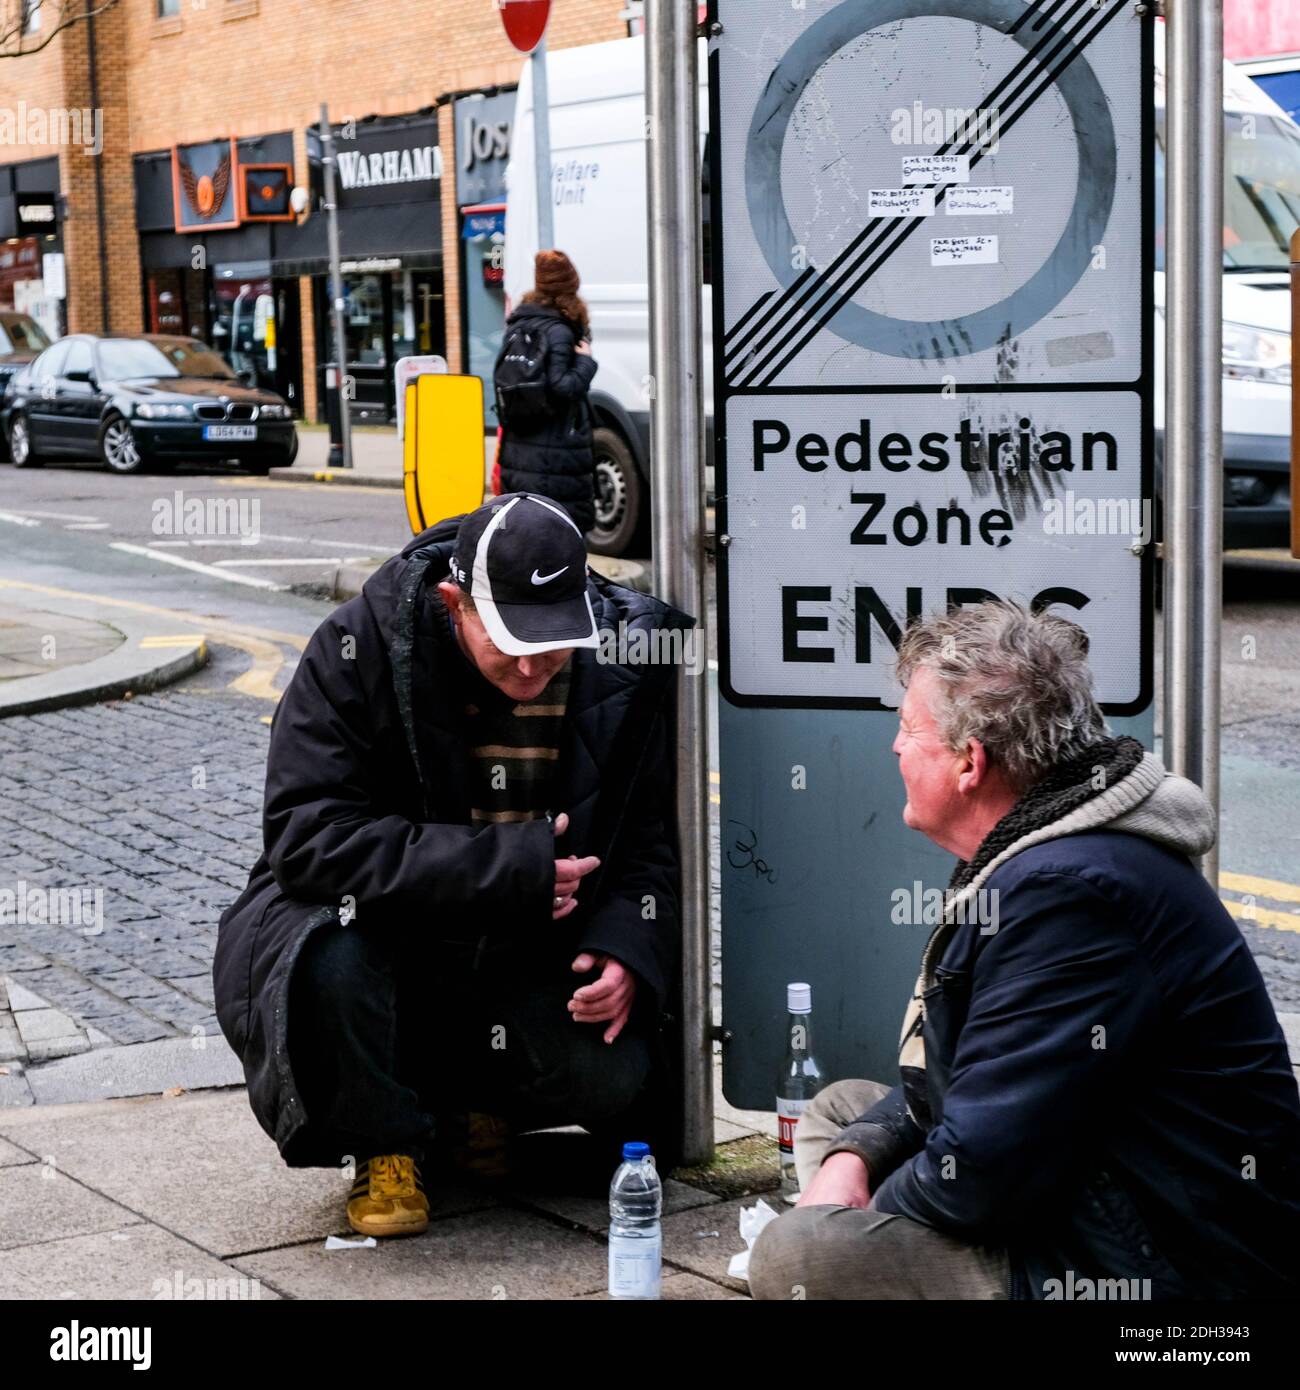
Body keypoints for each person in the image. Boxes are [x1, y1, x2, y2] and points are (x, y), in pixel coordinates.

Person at [749, 600, 1300, 1301]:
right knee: (840, 1116)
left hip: (1162, 1271)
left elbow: (980, 1173)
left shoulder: (1069, 897)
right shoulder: (1053, 848)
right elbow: (982, 1090)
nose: (895, 748)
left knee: (798, 1258)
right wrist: (855, 1161)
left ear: (969, 763)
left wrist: (861, 1222)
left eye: (909, 729)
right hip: (1088, 1187)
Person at [213, 494, 693, 1238]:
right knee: (328, 963)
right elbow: (307, 838)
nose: (532, 667)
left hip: (527, 949)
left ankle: (473, 1107)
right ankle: (385, 1140)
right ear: (454, 604)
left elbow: (647, 842)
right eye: (510, 641)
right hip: (389, 938)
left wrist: (628, 946)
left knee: (611, 1073)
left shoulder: (620, 666)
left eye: (553, 644)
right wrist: (507, 866)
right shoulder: (357, 645)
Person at [494, 249, 598, 534]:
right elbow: (563, 386)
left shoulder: (517, 326)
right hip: (556, 457)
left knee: (526, 534)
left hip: (518, 451)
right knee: (561, 536)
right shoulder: (559, 331)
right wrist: (586, 362)